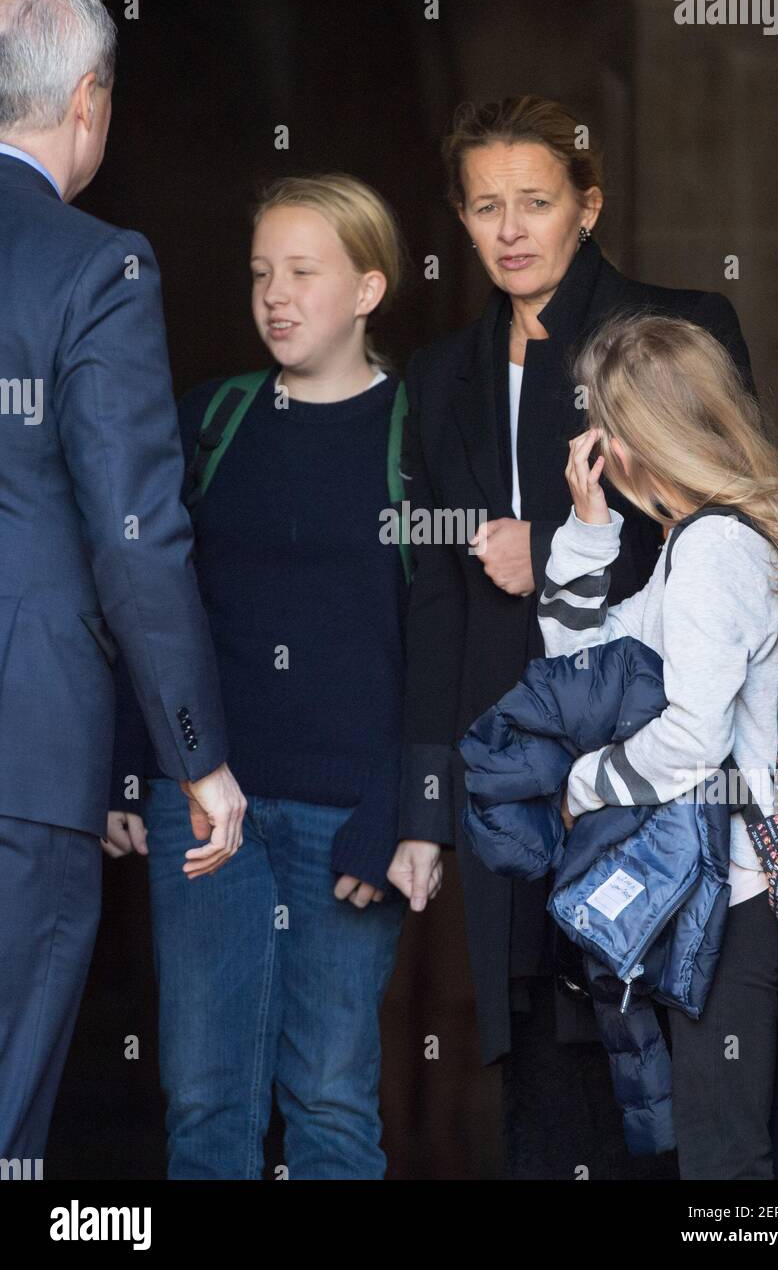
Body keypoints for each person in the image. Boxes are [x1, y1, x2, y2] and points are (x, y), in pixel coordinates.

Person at [388, 95, 757, 1179]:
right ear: (458, 219)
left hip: (648, 750)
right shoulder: (436, 374)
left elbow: (718, 513)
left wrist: (546, 541)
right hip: (514, 763)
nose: (509, 228)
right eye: (485, 205)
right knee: (534, 1057)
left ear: (584, 209)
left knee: (656, 1054)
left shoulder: (674, 326)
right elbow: (435, 601)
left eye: (535, 202)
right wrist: (427, 797)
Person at [110, 173, 419, 1179]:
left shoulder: (420, 440)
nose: (273, 296)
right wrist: (129, 763)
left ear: (369, 288)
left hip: (347, 820)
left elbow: (445, 641)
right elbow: (158, 603)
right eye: (259, 274)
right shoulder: (216, 419)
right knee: (205, 1102)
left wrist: (409, 809)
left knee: (329, 1104)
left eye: (301, 272)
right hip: (204, 807)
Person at [0, 0, 244, 1166]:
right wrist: (195, 752)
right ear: (88, 99)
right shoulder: (100, 266)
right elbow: (134, 536)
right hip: (23, 754)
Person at [539, 312, 778, 1180]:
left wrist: (587, 783)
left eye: (606, 422)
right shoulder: (705, 540)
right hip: (744, 887)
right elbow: (582, 665)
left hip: (741, 895)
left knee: (726, 1155)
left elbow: (690, 737)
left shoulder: (716, 547)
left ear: (642, 436)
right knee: (742, 1142)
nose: (597, 441)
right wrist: (588, 528)